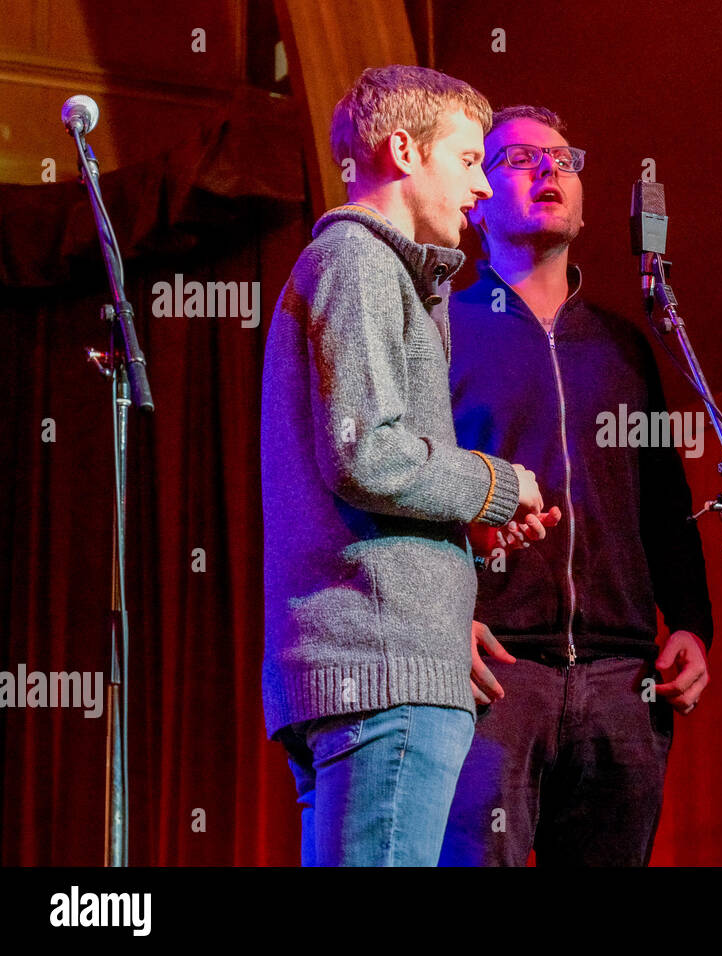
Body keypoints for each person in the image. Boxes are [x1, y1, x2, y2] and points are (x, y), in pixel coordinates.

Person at [260, 65, 556, 866]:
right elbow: (367, 453)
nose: (483, 189)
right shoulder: (358, 261)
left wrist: (458, 535)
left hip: (371, 662)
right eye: (467, 160)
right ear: (402, 150)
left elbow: (362, 472)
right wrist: (498, 485)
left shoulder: (377, 270)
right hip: (379, 671)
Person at [438, 105, 714, 866]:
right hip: (496, 675)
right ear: (479, 197)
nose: (549, 170)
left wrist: (691, 621)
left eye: (563, 158)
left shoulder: (626, 343)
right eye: (520, 159)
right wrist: (440, 620)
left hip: (624, 682)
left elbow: (661, 501)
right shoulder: (443, 329)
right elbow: (415, 493)